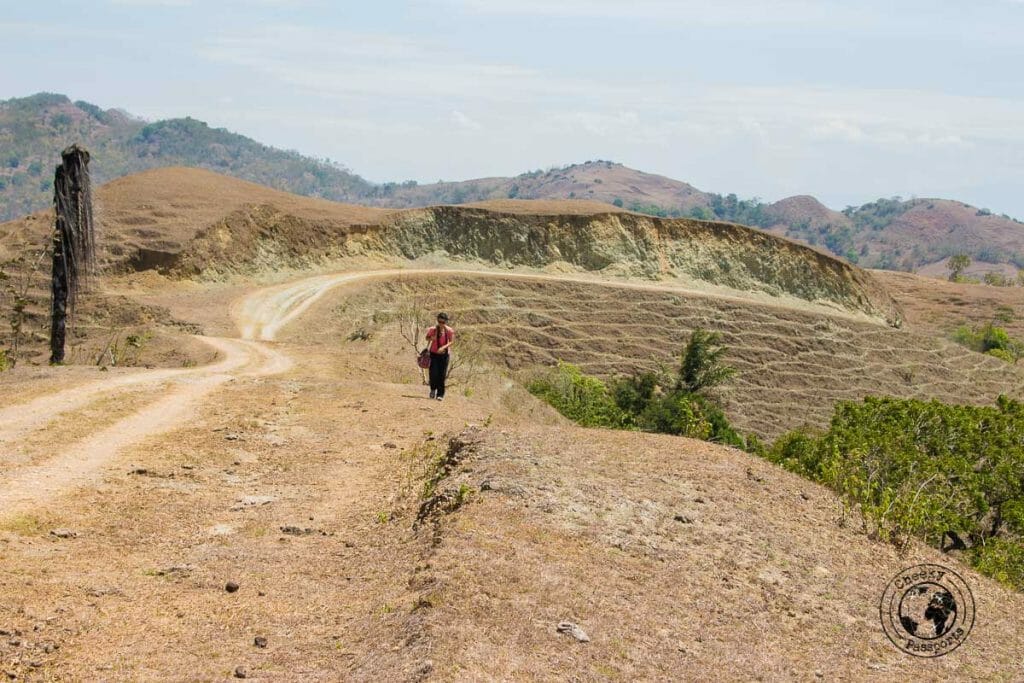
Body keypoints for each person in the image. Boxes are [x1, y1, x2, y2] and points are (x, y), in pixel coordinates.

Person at [426, 312, 454, 401]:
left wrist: (443, 347)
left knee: (442, 375)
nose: (441, 324)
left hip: (444, 355)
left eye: (443, 322)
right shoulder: (432, 329)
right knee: (433, 373)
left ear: (446, 322)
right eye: (439, 321)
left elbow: (451, 341)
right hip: (434, 353)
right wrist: (432, 338)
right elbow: (427, 338)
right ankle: (433, 390)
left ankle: (440, 394)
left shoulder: (449, 330)